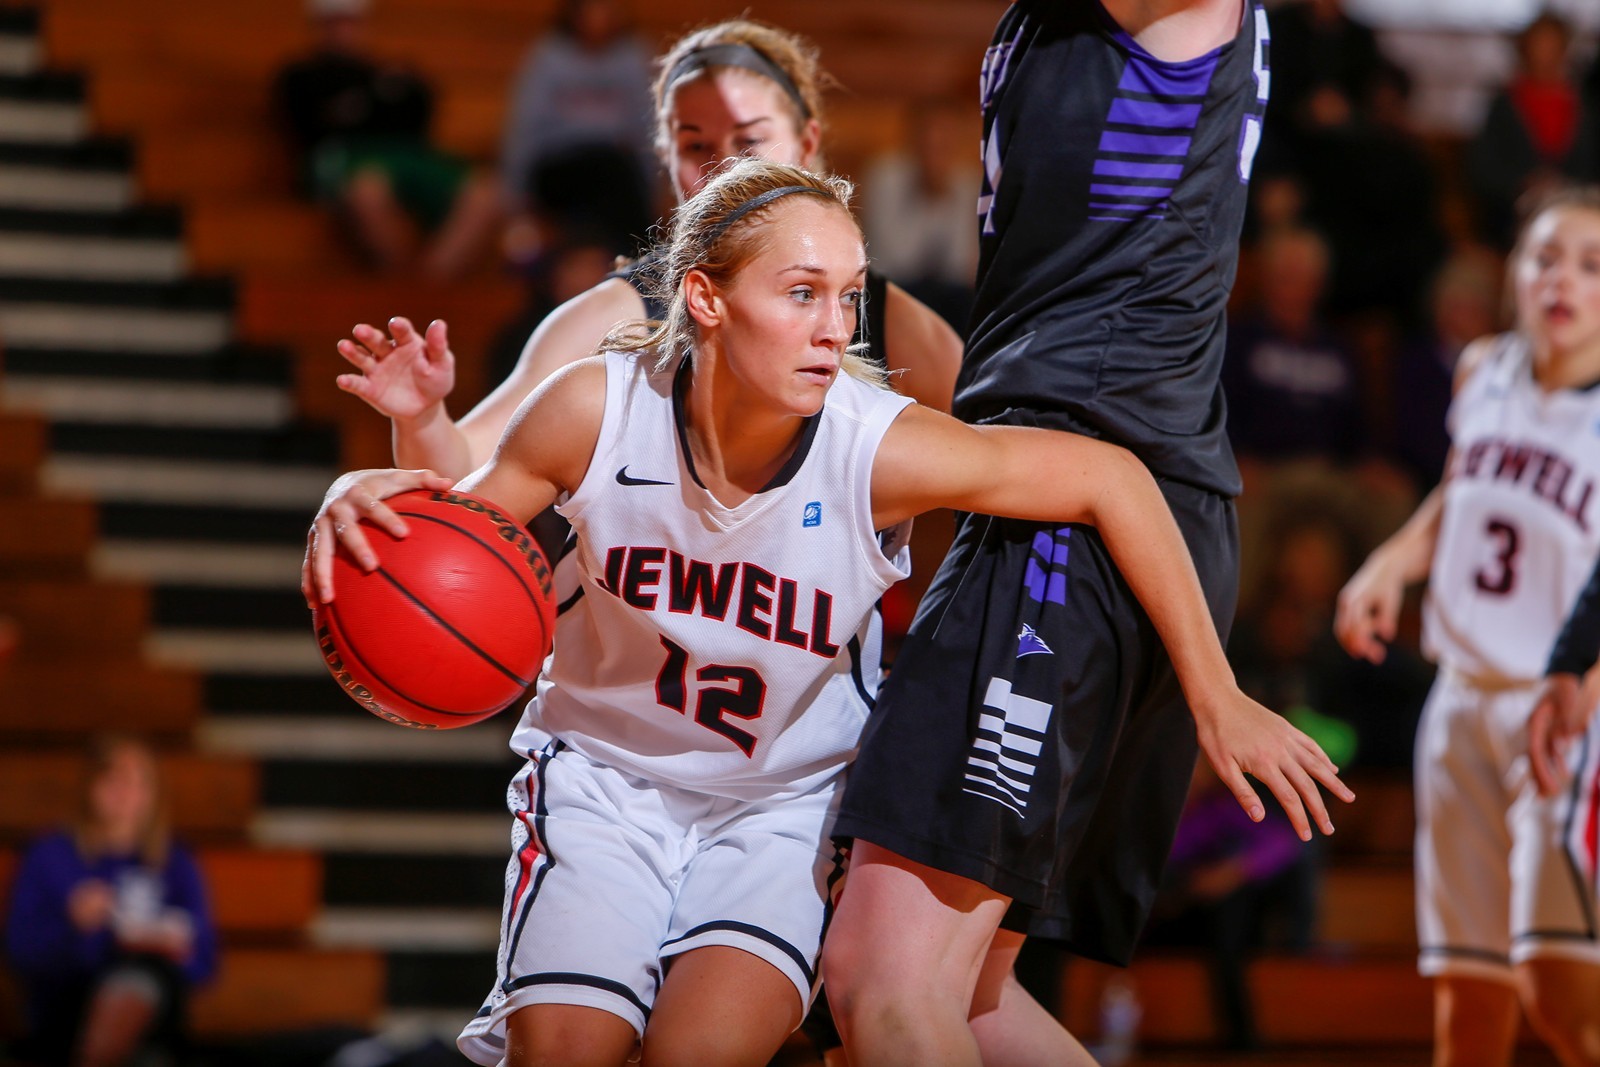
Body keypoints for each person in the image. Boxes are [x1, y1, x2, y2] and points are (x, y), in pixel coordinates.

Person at [303, 159, 1345, 1067]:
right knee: (564, 1047)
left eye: (847, 296)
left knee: (697, 1049)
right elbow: (452, 555)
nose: (834, 327)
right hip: (605, 782)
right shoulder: (594, 406)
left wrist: (1219, 692)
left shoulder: (871, 441)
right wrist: (391, 454)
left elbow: (1111, 477)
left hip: (782, 805)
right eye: (801, 293)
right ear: (703, 299)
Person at [817, 2, 1319, 1065]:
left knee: (883, 979)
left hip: (1083, 501)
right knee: (974, 999)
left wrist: (1214, 687)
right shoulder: (1060, 23)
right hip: (1108, 506)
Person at [328, 18, 962, 494]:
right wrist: (420, 418)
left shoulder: (893, 322)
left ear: (807, 141)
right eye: (695, 144)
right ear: (664, 157)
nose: (724, 167)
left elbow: (1005, 474)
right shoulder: (619, 309)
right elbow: (466, 472)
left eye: (750, 139)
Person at [1335, 185, 1600, 1067]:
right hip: (1456, 706)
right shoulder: (1482, 367)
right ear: (1512, 272)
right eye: (1546, 257)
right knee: (1469, 1005)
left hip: (1561, 717)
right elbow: (1464, 493)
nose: (1563, 280)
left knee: (1564, 998)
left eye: (1592, 266)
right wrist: (1390, 560)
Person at [4, 735, 217, 1067]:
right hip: (67, 1009)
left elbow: (205, 961)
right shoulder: (50, 856)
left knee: (142, 980)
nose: (125, 793)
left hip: (156, 1017)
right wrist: (72, 926)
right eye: (114, 779)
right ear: (91, 785)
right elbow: (19, 950)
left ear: (154, 793)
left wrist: (170, 946)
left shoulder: (176, 862)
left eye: (138, 782)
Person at [271, 0, 503, 279]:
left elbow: (418, 113)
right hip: (345, 155)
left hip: (406, 155)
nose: (344, 30)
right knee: (368, 189)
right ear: (318, 26)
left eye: (350, 22)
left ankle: (429, 281)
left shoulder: (388, 72)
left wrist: (364, 107)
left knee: (484, 192)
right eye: (335, 22)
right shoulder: (300, 76)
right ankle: (405, 284)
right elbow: (312, 126)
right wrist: (377, 103)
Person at [499, 0, 657, 260]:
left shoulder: (632, 57)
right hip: (558, 168)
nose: (600, 17)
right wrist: (517, 196)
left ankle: (616, 261)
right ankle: (639, 257)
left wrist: (650, 187)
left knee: (611, 173)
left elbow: (646, 127)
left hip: (615, 172)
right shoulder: (548, 57)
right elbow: (524, 128)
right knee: (609, 169)